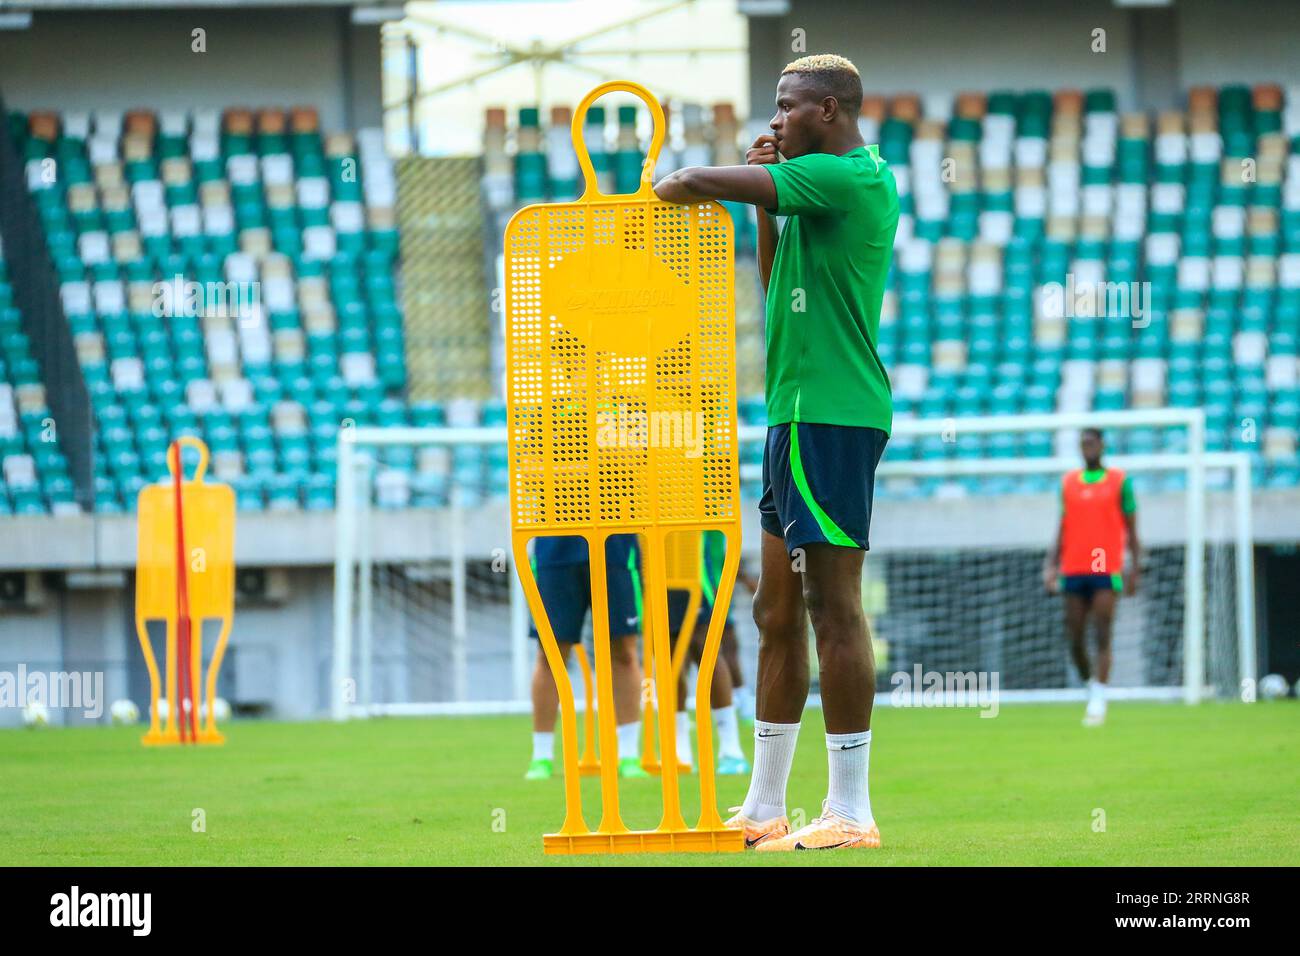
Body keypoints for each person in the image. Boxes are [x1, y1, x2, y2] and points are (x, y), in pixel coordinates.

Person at [655, 53, 898, 851]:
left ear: (828, 111)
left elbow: (689, 183)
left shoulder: (850, 178)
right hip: (793, 417)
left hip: (831, 416)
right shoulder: (815, 193)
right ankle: (764, 804)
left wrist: (672, 182)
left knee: (832, 607)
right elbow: (774, 282)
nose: (774, 121)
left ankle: (852, 813)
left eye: (787, 107)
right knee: (774, 610)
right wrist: (764, 208)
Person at [525, 534, 649, 779]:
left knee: (624, 652)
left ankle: (628, 755)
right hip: (555, 543)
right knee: (551, 653)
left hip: (616, 541)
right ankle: (541, 756)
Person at [1042, 428, 1141, 727]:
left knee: (1102, 631)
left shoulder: (1119, 481)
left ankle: (1099, 695)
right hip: (1073, 565)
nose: (1088, 447)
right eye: (1083, 443)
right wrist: (1051, 565)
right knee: (1073, 636)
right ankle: (1091, 685)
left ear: (1102, 445)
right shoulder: (1068, 482)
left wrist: (1135, 567)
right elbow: (1062, 526)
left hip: (1104, 565)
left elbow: (1133, 528)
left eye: (1092, 442)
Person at [665, 530, 751, 776]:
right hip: (653, 561)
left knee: (707, 648)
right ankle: (679, 748)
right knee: (668, 653)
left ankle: (731, 749)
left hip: (694, 562)